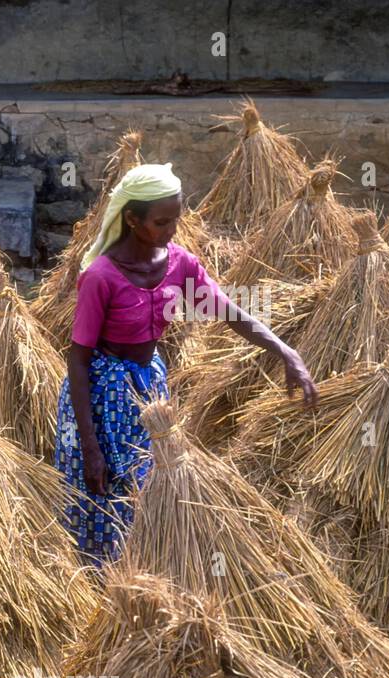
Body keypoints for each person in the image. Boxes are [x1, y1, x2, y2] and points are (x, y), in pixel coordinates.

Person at [54, 162, 318, 565]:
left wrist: (286, 352)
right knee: (102, 499)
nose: (172, 229)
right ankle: (102, 594)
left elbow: (230, 312)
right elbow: (78, 360)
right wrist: (90, 447)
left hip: (148, 395)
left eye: (176, 218)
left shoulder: (179, 264)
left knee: (148, 495)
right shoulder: (101, 276)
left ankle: (146, 574)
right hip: (100, 397)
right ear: (131, 219)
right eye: (162, 221)